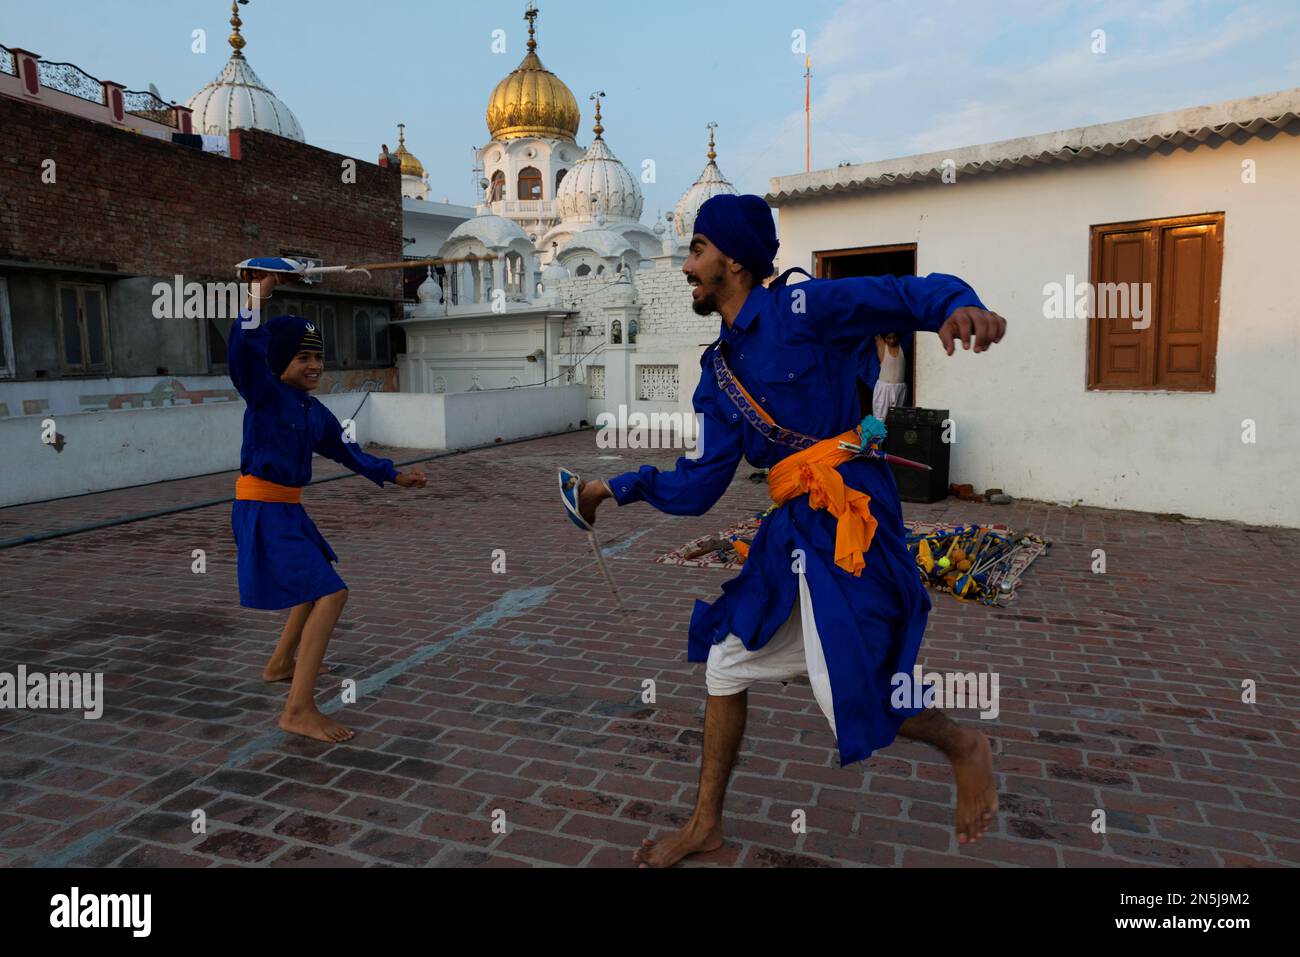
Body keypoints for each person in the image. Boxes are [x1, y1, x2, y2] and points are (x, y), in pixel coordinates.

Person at [577, 194, 1006, 868]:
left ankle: (963, 746)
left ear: (735, 260)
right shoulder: (716, 375)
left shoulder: (805, 310)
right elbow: (697, 487)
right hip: (791, 532)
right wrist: (613, 487)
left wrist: (957, 303)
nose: (687, 265)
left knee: (848, 682)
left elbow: (900, 292)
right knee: (726, 661)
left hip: (849, 518)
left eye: (697, 250)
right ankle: (705, 825)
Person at [229, 270, 427, 743]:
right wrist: (257, 295)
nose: (315, 365)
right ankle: (297, 709)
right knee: (332, 593)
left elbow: (347, 450)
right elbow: (243, 349)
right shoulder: (264, 394)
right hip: (262, 511)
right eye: (302, 357)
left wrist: (393, 475)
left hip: (288, 510)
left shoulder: (310, 409)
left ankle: (279, 665)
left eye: (318, 356)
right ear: (277, 362)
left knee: (316, 584)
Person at [873, 331, 909, 421]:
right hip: (885, 388)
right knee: (880, 417)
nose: (892, 341)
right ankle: (877, 435)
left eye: (894, 337)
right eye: (889, 338)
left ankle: (893, 435)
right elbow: (874, 330)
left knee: (898, 418)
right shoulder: (882, 346)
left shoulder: (902, 347)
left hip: (900, 388)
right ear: (884, 338)